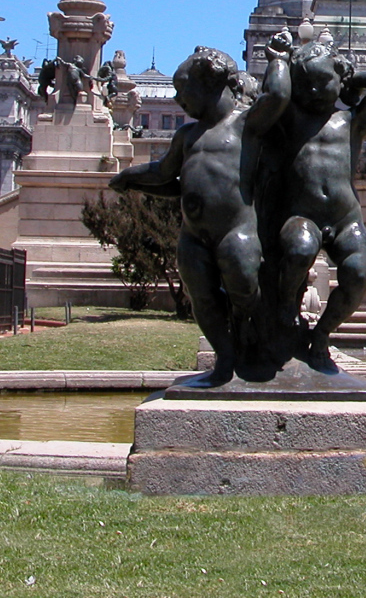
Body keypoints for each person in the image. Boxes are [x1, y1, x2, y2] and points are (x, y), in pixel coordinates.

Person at [109, 36, 291, 380]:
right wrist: (130, 177)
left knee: (244, 287)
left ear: (212, 86)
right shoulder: (187, 136)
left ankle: (251, 336)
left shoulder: (244, 125)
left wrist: (278, 59)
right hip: (192, 236)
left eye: (184, 90)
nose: (178, 100)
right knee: (202, 299)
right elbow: (166, 177)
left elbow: (278, 96)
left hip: (236, 231)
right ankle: (224, 358)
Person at [270, 41, 366, 370]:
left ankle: (323, 333)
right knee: (300, 250)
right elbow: (274, 95)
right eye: (306, 83)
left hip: (344, 218)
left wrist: (349, 77)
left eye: (321, 81)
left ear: (339, 80)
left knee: (357, 273)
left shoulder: (351, 121)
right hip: (301, 214)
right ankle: (285, 309)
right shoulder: (289, 118)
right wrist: (281, 61)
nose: (313, 90)